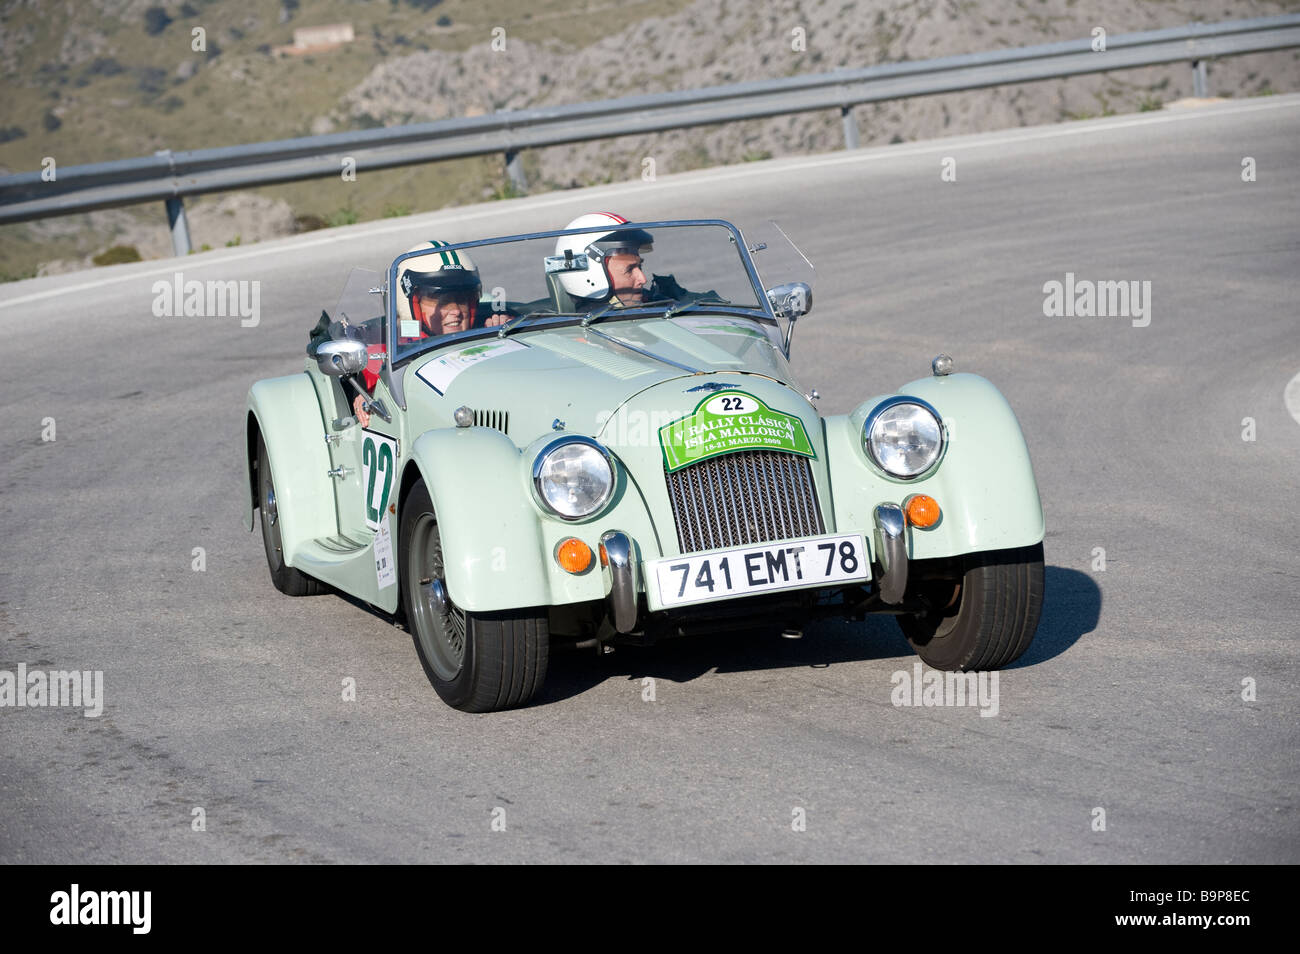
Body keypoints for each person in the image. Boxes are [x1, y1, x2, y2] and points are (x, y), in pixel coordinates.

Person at [351, 240, 505, 425]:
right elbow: (370, 395)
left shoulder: (495, 330)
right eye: (441, 301)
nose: (455, 310)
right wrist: (365, 399)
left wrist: (503, 335)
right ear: (409, 302)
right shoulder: (383, 355)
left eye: (463, 300)